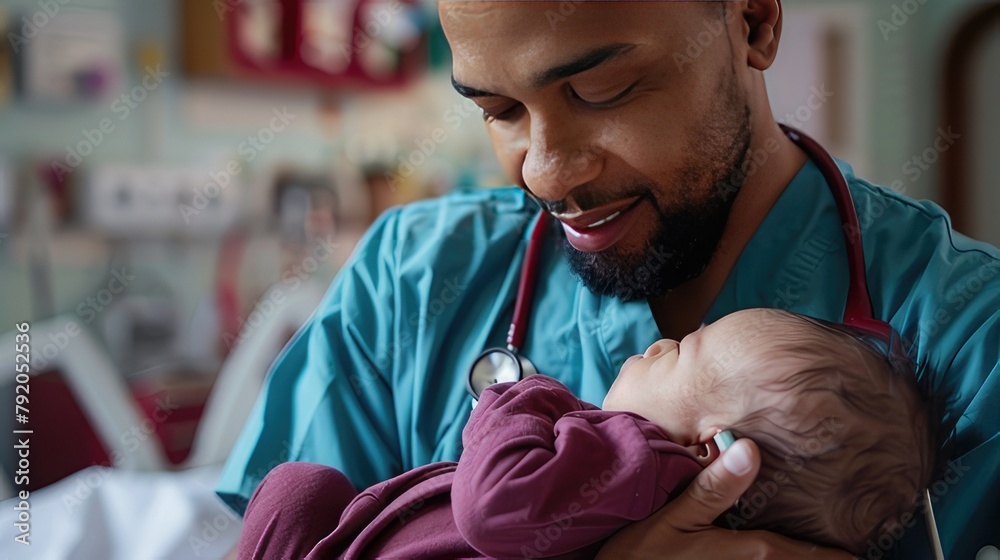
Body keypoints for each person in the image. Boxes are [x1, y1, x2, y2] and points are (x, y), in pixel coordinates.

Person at [218, 2, 999, 558]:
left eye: (602, 91)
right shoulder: (412, 282)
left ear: (753, 20)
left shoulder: (976, 339)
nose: (547, 171)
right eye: (498, 110)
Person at [236, 308, 934, 559]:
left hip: (347, 543)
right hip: (361, 538)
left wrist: (521, 394)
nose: (661, 342)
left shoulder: (635, 462)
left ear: (711, 452)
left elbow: (493, 507)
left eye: (688, 346)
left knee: (298, 487)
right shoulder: (626, 477)